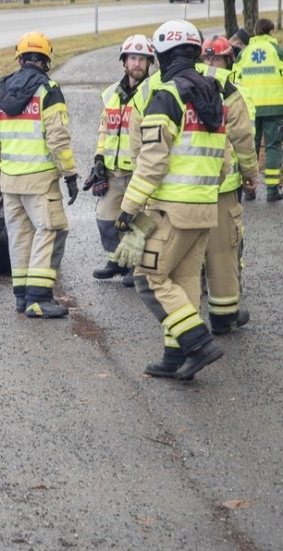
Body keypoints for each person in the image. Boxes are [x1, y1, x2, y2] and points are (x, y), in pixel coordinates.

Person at [117, 20, 227, 381]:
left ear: (161, 55)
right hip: (205, 208)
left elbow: (151, 161)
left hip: (170, 210)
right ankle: (175, 355)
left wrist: (129, 207)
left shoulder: (167, 95)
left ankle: (197, 343)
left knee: (148, 279)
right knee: (182, 281)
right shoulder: (212, 94)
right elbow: (224, 161)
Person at [0, 31, 78, 319]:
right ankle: (39, 298)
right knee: (52, 231)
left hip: (10, 181)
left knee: (20, 236)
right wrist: (70, 174)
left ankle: (22, 297)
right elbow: (58, 139)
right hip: (40, 181)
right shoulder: (48, 91)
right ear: (46, 61)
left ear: (20, 58)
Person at [199, 36, 259, 335]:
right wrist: (251, 174)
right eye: (210, 60)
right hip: (225, 184)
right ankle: (224, 314)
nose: (212, 66)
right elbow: (245, 135)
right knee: (224, 249)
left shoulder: (184, 86)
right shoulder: (236, 91)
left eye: (215, 60)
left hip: (191, 184)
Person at [86, 34, 154, 288]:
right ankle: (117, 261)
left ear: (149, 63)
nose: (137, 63)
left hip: (139, 172)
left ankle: (136, 267)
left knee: (139, 221)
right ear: (124, 62)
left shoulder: (154, 92)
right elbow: (105, 130)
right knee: (106, 219)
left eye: (142, 59)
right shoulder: (111, 94)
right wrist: (98, 160)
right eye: (132, 58)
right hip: (114, 172)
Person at [233, 19, 283, 200]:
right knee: (272, 146)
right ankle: (271, 190)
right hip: (274, 108)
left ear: (255, 32)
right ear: (270, 33)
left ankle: (249, 189)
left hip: (249, 108)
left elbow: (234, 77)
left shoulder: (244, 53)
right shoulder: (277, 52)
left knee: (249, 147)